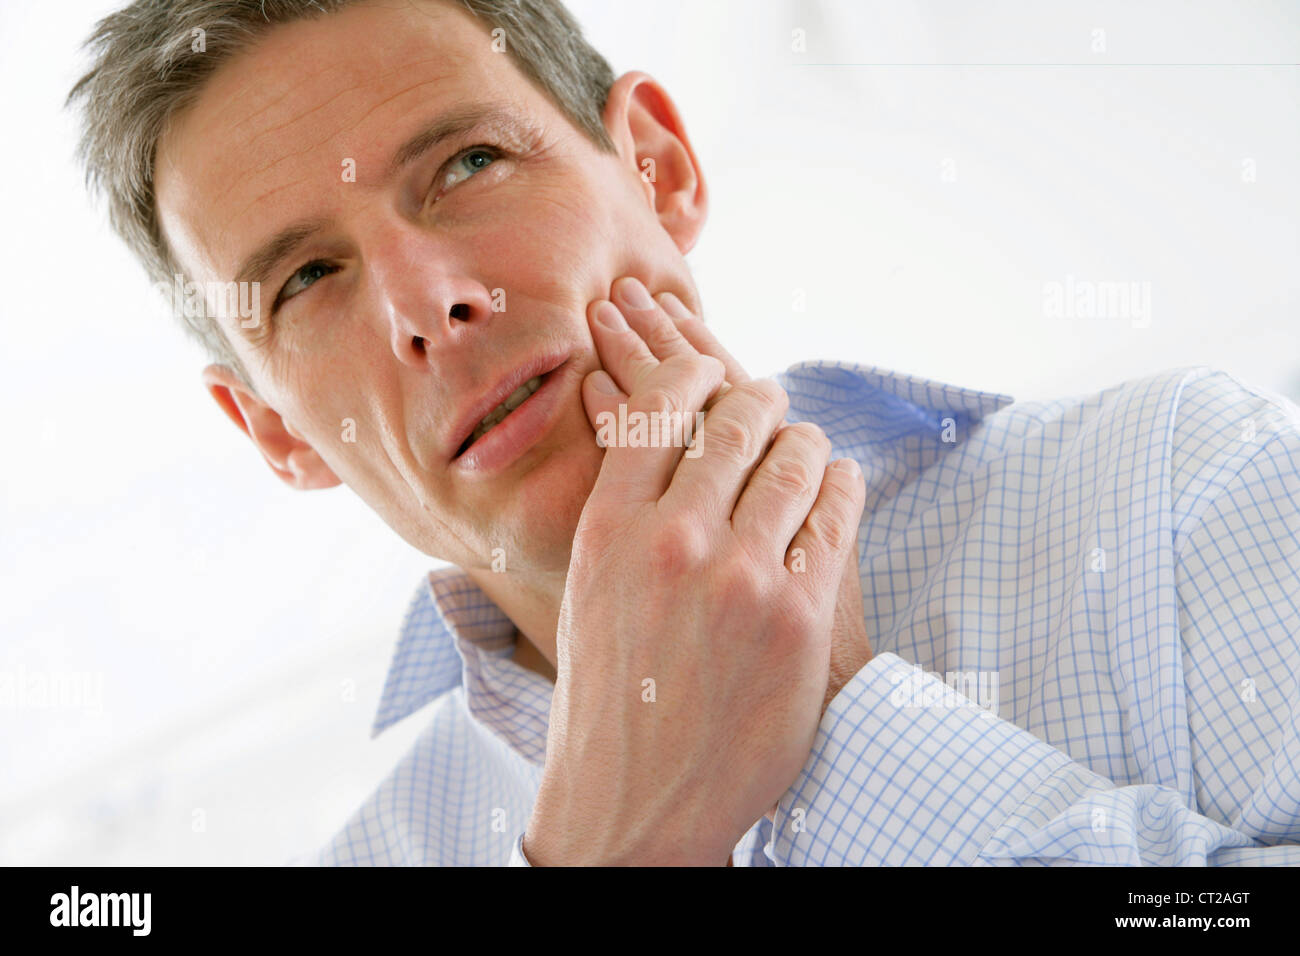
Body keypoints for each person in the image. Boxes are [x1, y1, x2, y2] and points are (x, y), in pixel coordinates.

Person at [69, 0, 1300, 865]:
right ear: (276, 433)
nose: (424, 304)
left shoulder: (1174, 485)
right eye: (302, 281)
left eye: (465, 164)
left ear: (657, 171)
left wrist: (845, 734)